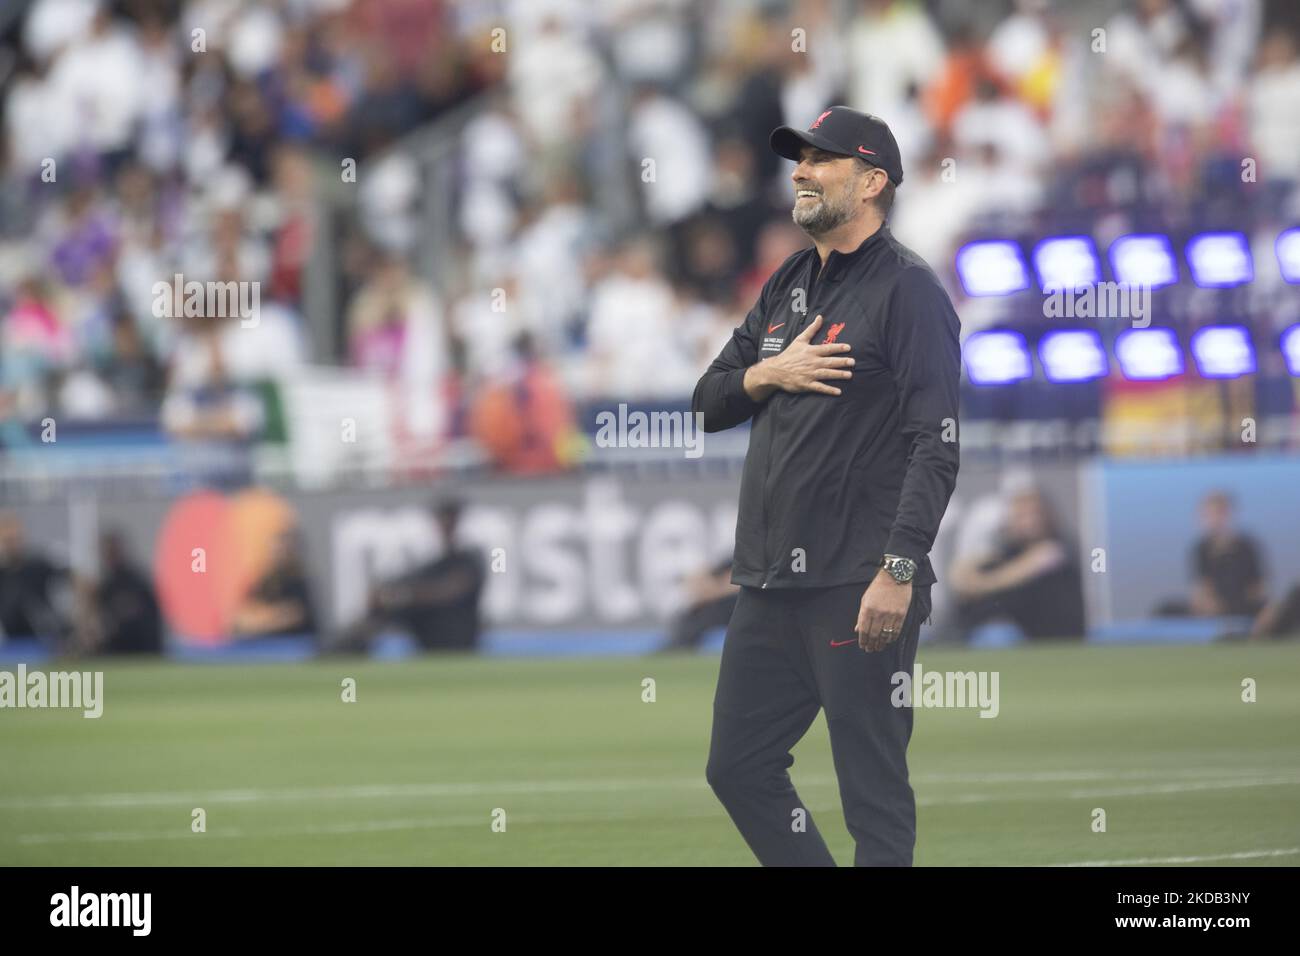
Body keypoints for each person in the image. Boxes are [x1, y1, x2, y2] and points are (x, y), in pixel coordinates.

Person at [693, 106, 961, 867]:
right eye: (799, 158)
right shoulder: (788, 281)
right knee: (737, 766)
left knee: (871, 790)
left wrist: (899, 569)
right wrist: (766, 373)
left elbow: (936, 446)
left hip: (859, 580)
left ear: (873, 181)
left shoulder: (909, 291)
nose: (801, 171)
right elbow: (709, 401)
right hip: (771, 583)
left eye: (824, 159)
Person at [328, 497, 486, 654]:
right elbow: (409, 582)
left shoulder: (470, 560)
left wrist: (402, 596)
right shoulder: (434, 564)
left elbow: (446, 590)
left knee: (398, 602)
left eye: (450, 520)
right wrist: (386, 594)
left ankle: (344, 649)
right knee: (385, 607)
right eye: (442, 520)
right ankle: (346, 648)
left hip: (457, 634)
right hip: (428, 628)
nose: (445, 525)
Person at [947, 487, 1086, 641]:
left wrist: (979, 584)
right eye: (1022, 515)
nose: (1031, 522)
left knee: (998, 635)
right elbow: (960, 579)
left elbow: (1012, 574)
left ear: (1049, 517)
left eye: (1036, 514)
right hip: (1002, 627)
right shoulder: (1007, 550)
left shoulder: (1053, 551)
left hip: (1050, 633)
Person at [79, 529, 163, 655]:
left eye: (111, 551)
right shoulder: (106, 584)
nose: (108, 556)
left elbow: (132, 616)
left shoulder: (134, 581)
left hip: (139, 648)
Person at [232, 525, 318, 640]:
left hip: (296, 647)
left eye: (284, 550)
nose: (279, 554)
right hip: (265, 647)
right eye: (276, 549)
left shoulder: (299, 582)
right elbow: (241, 618)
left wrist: (261, 622)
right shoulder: (263, 581)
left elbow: (293, 615)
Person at [1189, 491, 1265, 619]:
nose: (1213, 519)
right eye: (1208, 514)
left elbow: (1258, 585)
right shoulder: (1201, 548)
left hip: (1243, 604)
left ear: (1228, 514)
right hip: (1214, 606)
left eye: (1217, 513)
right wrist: (1208, 603)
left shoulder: (1246, 545)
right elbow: (1202, 585)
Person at [0, 511, 69, 645]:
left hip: (42, 635)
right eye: (8, 540)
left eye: (15, 540)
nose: (12, 545)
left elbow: (71, 575)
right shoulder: (2, 573)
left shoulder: (37, 565)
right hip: (11, 639)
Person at [656, 554, 740, 653]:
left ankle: (680, 645)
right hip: (718, 603)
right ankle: (678, 644)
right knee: (694, 611)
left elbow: (738, 584)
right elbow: (703, 577)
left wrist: (713, 591)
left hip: (733, 606)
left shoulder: (752, 559)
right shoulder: (735, 558)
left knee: (707, 613)